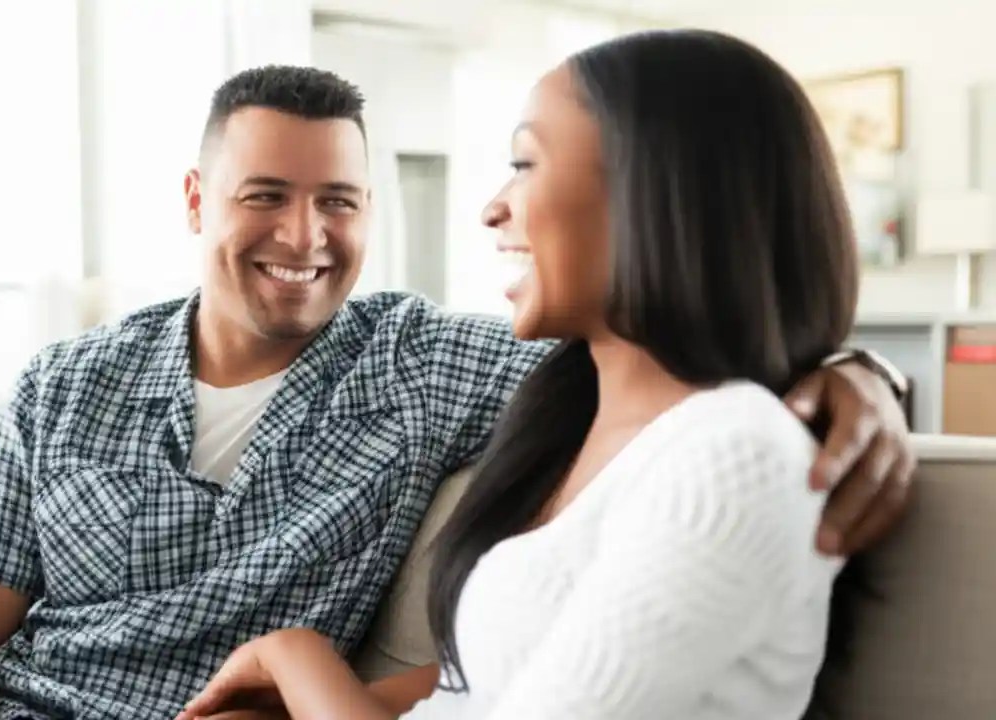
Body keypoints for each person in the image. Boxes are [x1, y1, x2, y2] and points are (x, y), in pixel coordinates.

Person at [0, 62, 912, 720]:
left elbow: (668, 350)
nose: (306, 236)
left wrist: (853, 373)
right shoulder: (68, 382)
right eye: (265, 197)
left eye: (338, 202)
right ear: (197, 204)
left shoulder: (420, 361)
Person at [177, 31, 892, 720]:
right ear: (197, 201)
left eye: (525, 164)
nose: (492, 207)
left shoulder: (734, 451)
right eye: (264, 195)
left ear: (654, 193)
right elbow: (479, 691)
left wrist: (295, 657)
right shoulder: (565, 410)